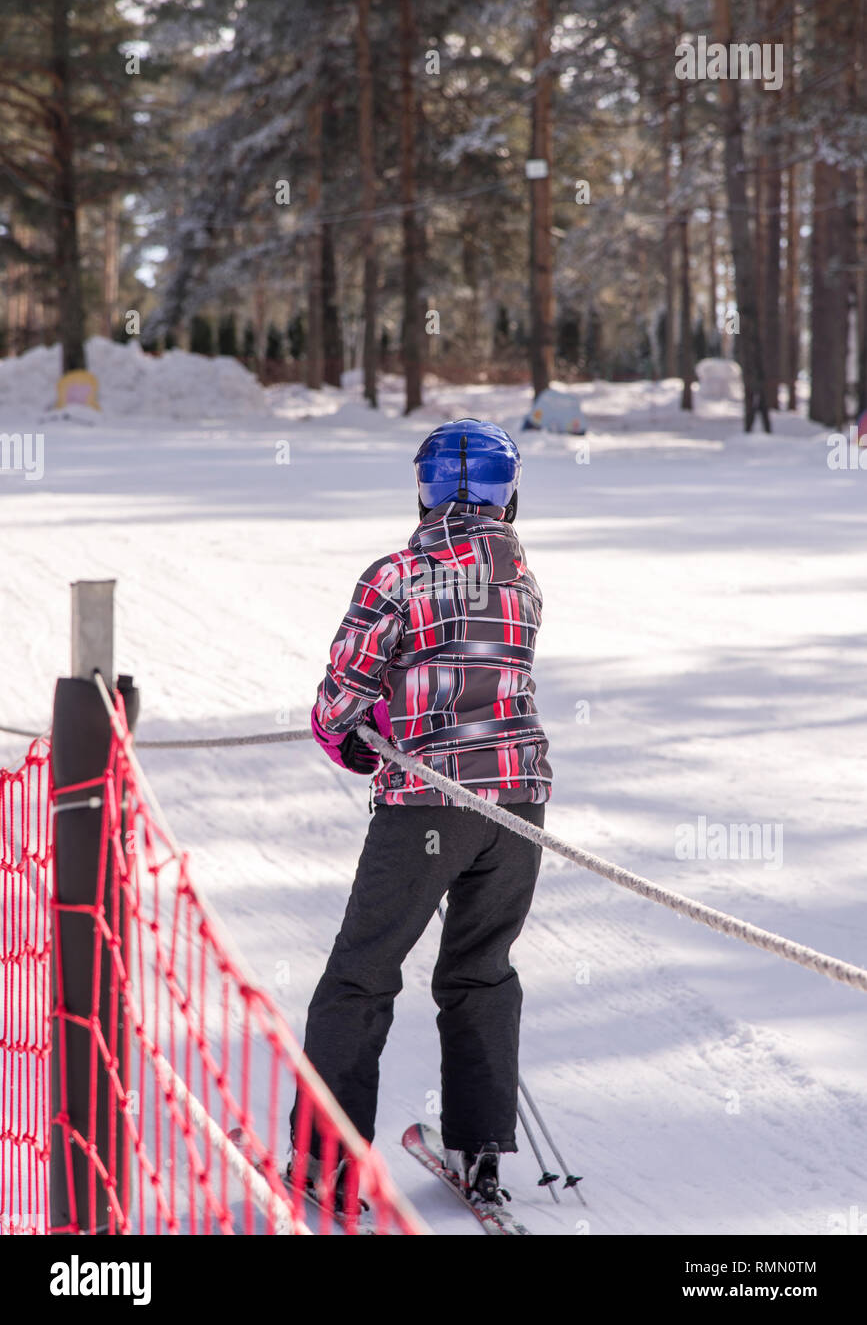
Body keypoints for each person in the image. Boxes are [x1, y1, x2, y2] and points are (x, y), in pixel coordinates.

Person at [291, 418, 553, 1206]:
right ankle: (481, 1153)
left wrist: (351, 744)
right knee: (480, 971)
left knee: (360, 976)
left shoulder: (397, 575)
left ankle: (324, 1163)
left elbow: (342, 701)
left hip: (427, 802)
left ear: (422, 488)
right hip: (516, 803)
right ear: (508, 496)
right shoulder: (523, 578)